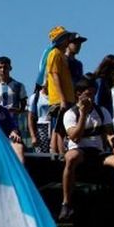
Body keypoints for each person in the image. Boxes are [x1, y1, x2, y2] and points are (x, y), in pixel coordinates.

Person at [59, 78, 114, 221]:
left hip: (98, 151)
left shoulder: (102, 111)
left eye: (93, 94)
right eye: (88, 94)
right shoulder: (70, 114)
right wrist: (82, 114)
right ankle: (66, 202)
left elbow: (109, 133)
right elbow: (75, 137)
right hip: (80, 149)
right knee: (70, 158)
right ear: (78, 94)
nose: (91, 98)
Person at [46, 27, 75, 156]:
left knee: (60, 125)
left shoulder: (61, 54)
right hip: (59, 98)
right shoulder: (55, 54)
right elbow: (55, 75)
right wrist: (62, 98)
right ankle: (61, 152)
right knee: (60, 127)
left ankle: (56, 149)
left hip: (67, 96)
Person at [0, 56, 28, 139]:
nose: (3, 70)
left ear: (10, 68)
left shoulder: (19, 86)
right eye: (0, 67)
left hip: (13, 122)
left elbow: (24, 105)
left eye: (5, 67)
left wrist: (16, 110)